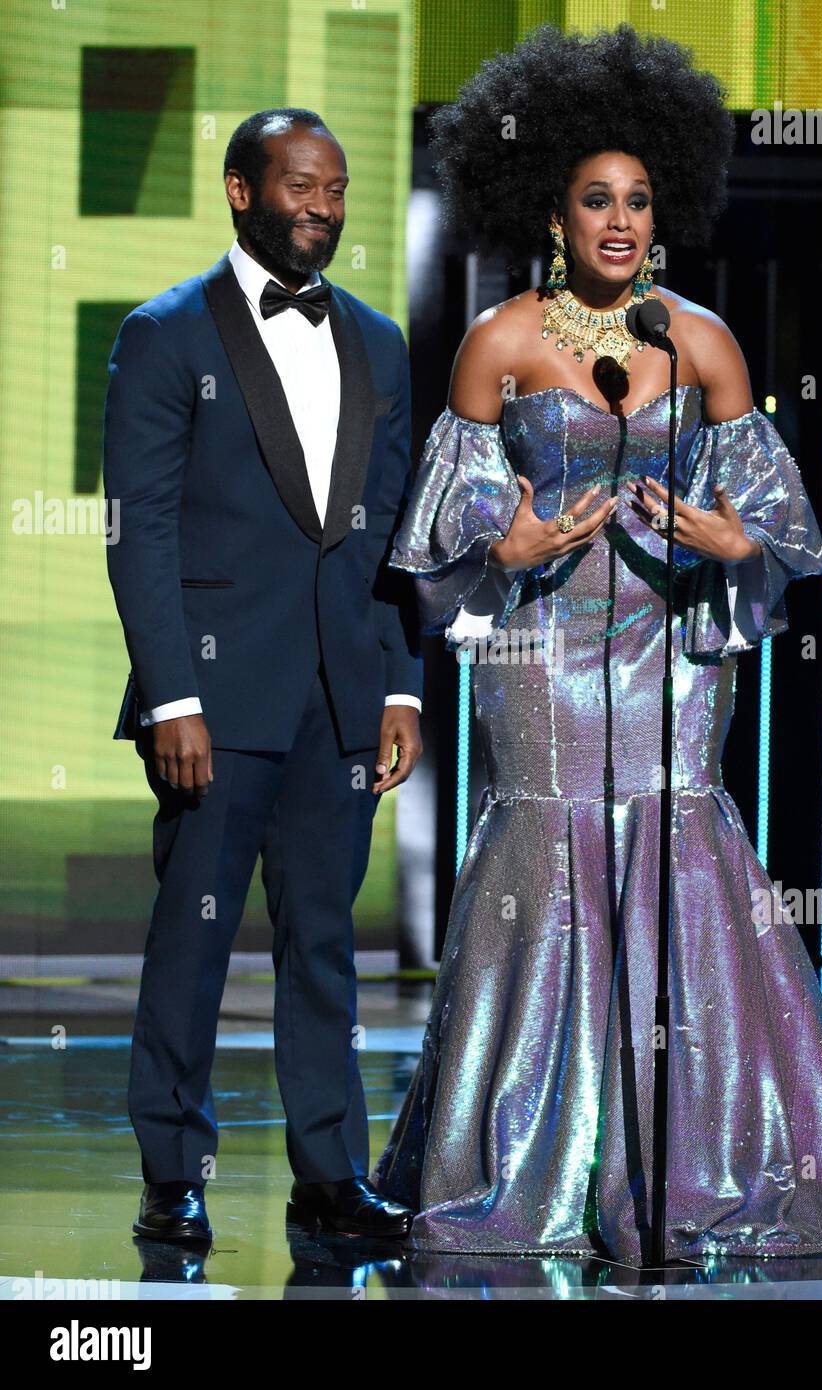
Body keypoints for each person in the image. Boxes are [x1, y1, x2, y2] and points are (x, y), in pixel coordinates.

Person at [372, 25, 822, 1263]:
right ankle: (521, 1167)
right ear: (553, 215)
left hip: (670, 653)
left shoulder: (701, 343)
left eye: (640, 198)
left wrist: (728, 544)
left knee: (679, 849)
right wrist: (503, 555)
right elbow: (438, 533)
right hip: (546, 656)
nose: (620, 220)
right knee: (548, 858)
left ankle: (689, 1166)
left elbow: (779, 527)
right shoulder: (499, 343)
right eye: (595, 200)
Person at [103, 108, 421, 1244]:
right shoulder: (165, 335)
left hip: (339, 694)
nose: (322, 208)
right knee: (192, 937)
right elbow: (137, 534)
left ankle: (329, 1173)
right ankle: (172, 1169)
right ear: (241, 191)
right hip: (213, 695)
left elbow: (389, 531)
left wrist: (400, 681)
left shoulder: (381, 343)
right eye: (299, 187)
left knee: (324, 941)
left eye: (335, 189)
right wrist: (171, 694)